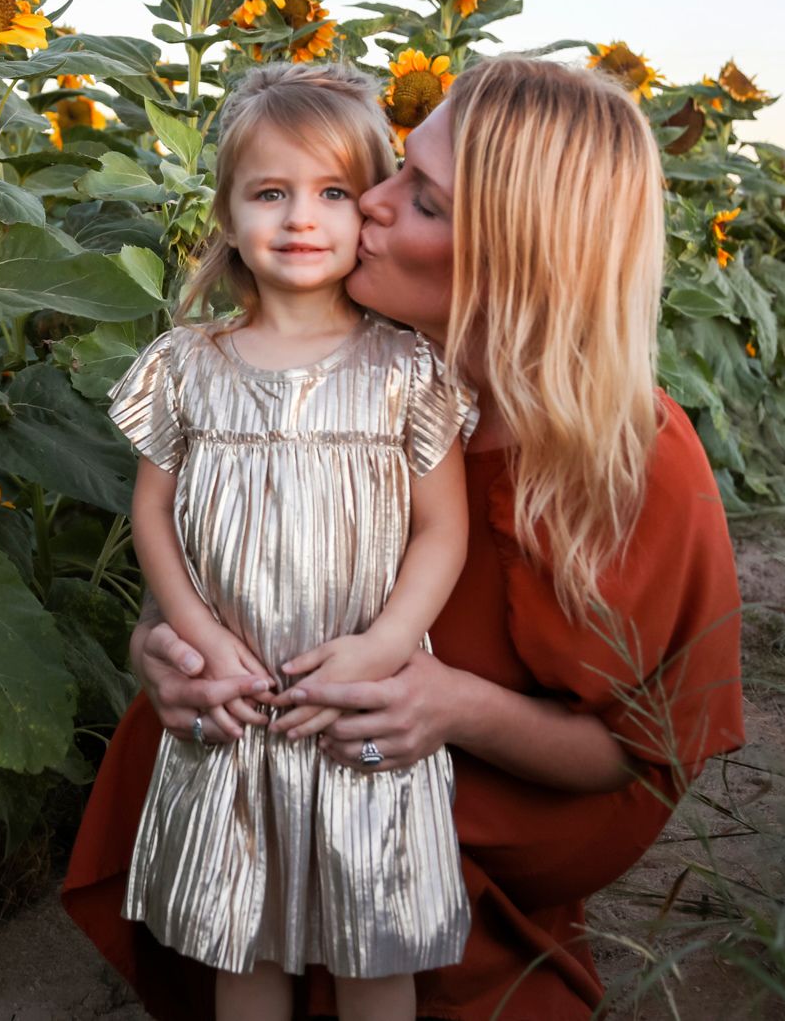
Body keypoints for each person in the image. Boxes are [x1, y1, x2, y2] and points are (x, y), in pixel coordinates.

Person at [63, 56, 747, 1020]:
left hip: (465, 849)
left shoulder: (630, 459)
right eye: (392, 169)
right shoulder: (320, 377)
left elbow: (636, 758)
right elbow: (214, 551)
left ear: (519, 262)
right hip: (283, 773)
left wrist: (449, 704)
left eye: (420, 199)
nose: (366, 206)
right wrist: (160, 651)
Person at [106, 62, 479, 1021]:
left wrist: (387, 648)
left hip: (354, 687)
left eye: (332, 194)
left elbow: (444, 528)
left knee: (375, 933)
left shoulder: (405, 367)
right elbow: (154, 511)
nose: (301, 219)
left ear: (368, 214)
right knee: (245, 928)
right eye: (270, 194)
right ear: (229, 216)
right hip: (243, 693)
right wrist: (196, 635)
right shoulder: (189, 362)